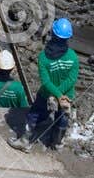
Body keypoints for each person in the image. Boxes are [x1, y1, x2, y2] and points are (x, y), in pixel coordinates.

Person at [8, 17, 79, 150]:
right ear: (67, 38)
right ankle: (56, 144)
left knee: (34, 114)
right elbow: (72, 79)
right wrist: (61, 95)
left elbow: (46, 81)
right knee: (61, 119)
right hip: (66, 95)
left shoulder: (43, 57)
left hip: (47, 93)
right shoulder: (73, 57)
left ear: (52, 34)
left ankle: (25, 141)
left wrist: (56, 95)